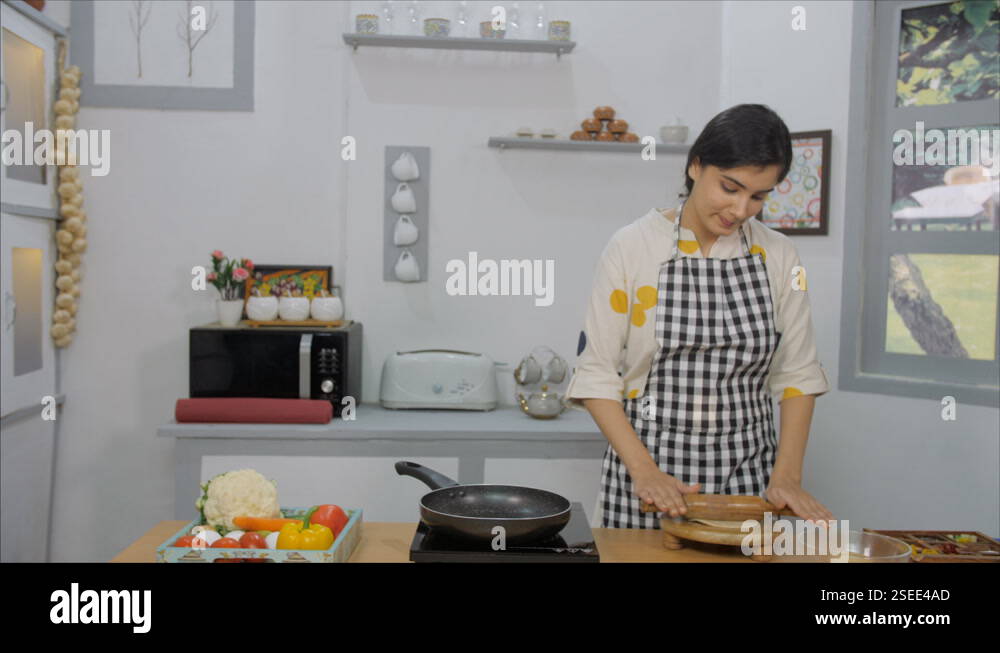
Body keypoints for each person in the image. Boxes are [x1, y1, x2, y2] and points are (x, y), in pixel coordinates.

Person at [565, 104, 835, 528]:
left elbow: (798, 373)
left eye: (758, 196)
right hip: (648, 480)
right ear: (696, 165)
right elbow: (597, 375)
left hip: (748, 481)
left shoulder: (780, 254)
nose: (741, 209)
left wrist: (787, 477)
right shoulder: (633, 247)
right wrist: (645, 472)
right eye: (730, 188)